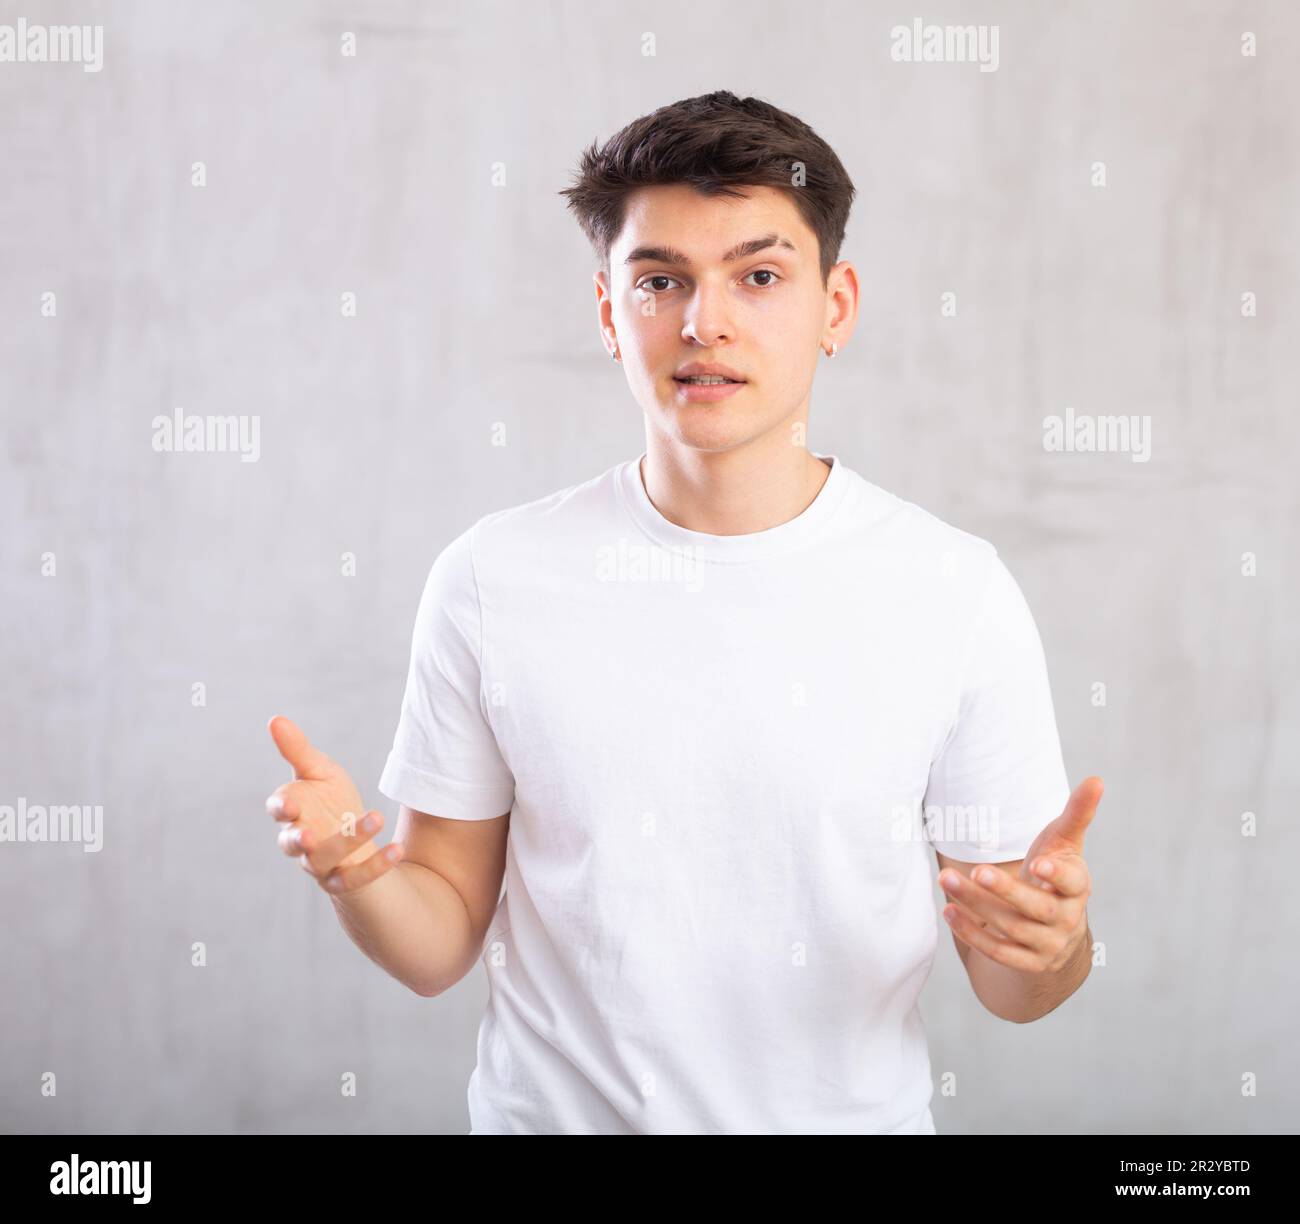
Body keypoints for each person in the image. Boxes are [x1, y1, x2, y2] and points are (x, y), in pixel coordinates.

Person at [265, 90, 1102, 1135]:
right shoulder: (493, 577)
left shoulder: (952, 590)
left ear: (835, 305)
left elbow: (1014, 986)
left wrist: (1053, 945)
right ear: (611, 314)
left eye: (759, 276)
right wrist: (355, 872)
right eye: (661, 281)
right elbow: (436, 942)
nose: (705, 322)